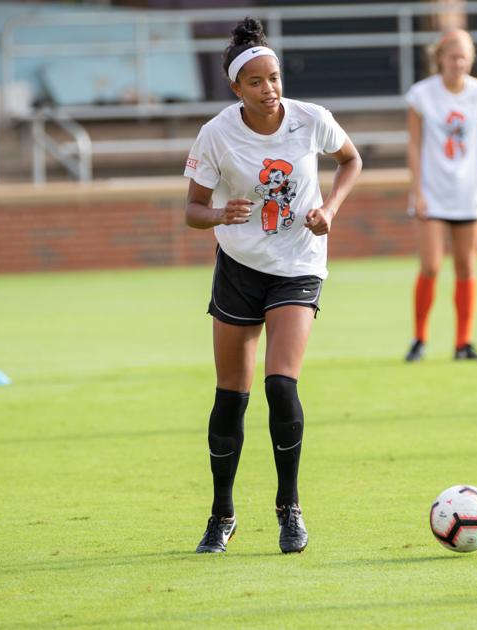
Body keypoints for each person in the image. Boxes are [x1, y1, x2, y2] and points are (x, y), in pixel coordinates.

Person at [183, 17, 361, 553]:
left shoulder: (311, 120)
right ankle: (221, 515)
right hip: (239, 269)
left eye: (275, 78)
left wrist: (329, 208)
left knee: (281, 384)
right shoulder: (216, 133)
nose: (270, 89)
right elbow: (191, 210)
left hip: (299, 266)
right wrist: (218, 215)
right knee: (229, 399)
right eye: (256, 82)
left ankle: (290, 508)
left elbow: (351, 160)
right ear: (236, 87)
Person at [404, 29, 477, 363]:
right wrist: (417, 190)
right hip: (433, 193)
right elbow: (415, 145)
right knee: (431, 266)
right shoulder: (422, 95)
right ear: (441, 58)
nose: (459, 63)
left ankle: (463, 343)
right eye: (453, 57)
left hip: (468, 192)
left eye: (464, 57)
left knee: (466, 267)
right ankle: (419, 339)